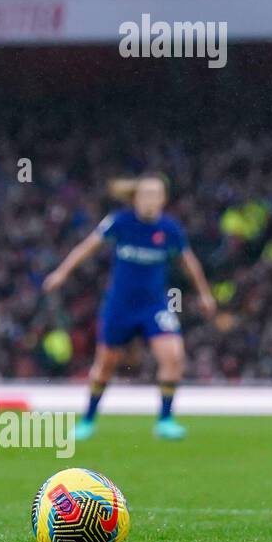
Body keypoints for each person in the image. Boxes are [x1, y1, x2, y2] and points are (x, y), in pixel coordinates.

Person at [42, 173, 217, 441]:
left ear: (163, 200)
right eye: (145, 194)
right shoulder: (120, 222)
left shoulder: (169, 229)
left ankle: (165, 420)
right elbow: (87, 247)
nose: (150, 200)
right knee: (105, 366)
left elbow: (188, 262)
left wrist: (204, 294)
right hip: (120, 306)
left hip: (154, 306)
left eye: (155, 194)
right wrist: (61, 273)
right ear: (135, 198)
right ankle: (88, 419)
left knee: (173, 357)